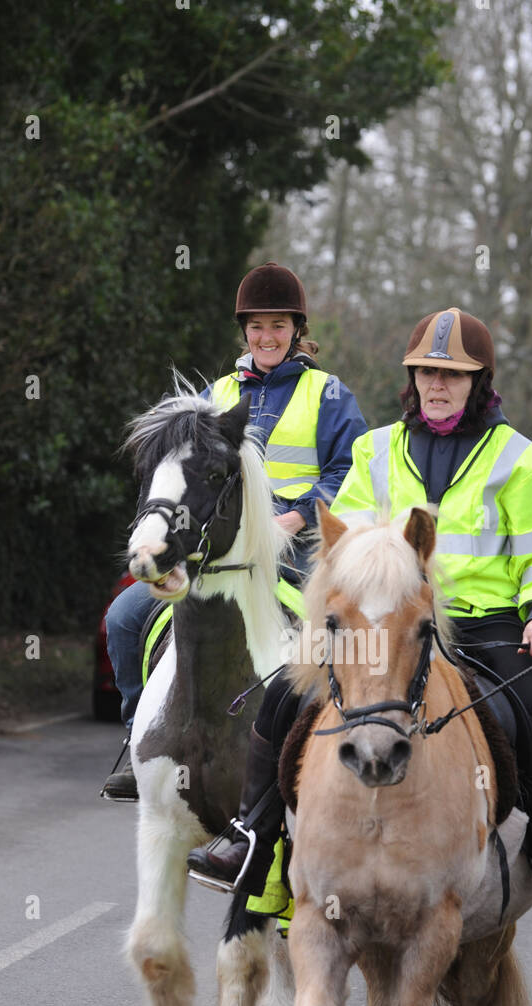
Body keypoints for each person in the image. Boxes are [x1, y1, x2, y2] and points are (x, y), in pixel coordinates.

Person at [188, 306, 532, 914]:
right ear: (412, 381)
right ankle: (249, 834)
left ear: (478, 382)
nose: (437, 386)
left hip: (481, 621)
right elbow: (346, 533)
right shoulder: (374, 449)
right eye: (426, 374)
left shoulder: (521, 459)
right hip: (384, 618)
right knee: (285, 691)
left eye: (453, 376)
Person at [102, 262, 367, 799]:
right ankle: (137, 735)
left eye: (278, 325)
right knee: (124, 619)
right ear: (243, 330)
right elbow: (178, 470)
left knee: (341, 644)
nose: (267, 337)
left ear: (297, 330)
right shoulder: (215, 392)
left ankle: (338, 754)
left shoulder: (329, 394)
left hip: (295, 552)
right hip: (216, 552)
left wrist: (293, 518)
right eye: (257, 326)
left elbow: (351, 471)